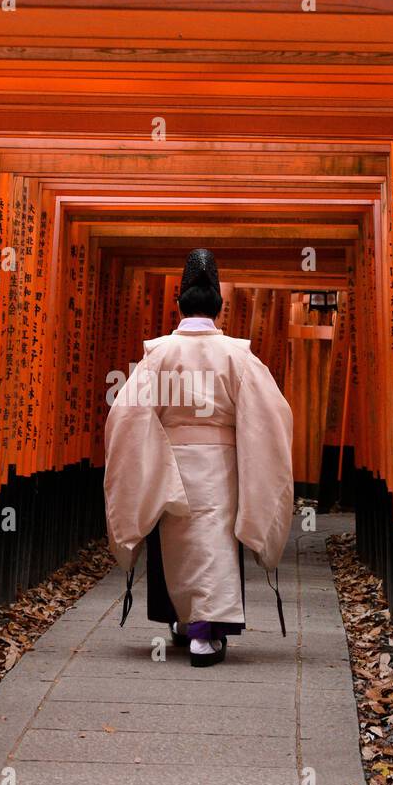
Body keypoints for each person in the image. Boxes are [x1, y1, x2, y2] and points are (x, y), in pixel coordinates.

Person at [103, 248, 295, 666]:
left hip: (168, 460)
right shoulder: (237, 355)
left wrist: (147, 460)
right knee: (215, 543)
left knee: (176, 542)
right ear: (220, 307)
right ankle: (204, 635)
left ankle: (188, 624)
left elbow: (127, 415)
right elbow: (271, 415)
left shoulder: (158, 356)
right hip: (223, 463)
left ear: (178, 304)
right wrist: (249, 451)